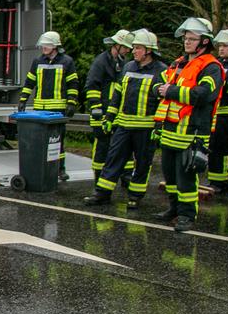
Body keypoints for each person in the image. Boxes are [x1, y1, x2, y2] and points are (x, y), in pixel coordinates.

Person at [153, 17, 223, 232]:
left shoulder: (211, 67)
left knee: (187, 179)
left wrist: (170, 91)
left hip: (191, 132)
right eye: (186, 38)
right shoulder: (179, 63)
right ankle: (173, 209)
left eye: (192, 39)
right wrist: (159, 89)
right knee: (171, 177)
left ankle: (186, 215)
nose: (187, 42)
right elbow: (157, 84)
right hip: (170, 131)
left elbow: (203, 95)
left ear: (204, 42)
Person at [83, 29, 166, 208]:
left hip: (146, 127)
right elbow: (118, 96)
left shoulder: (162, 71)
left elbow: (164, 102)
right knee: (113, 159)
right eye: (133, 48)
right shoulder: (128, 67)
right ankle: (102, 194)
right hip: (123, 125)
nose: (133, 51)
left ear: (148, 50)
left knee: (143, 163)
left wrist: (159, 126)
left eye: (137, 48)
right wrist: (109, 117)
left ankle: (135, 197)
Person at [17, 31, 79, 181]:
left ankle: (60, 169)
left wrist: (71, 103)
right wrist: (23, 99)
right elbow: (30, 82)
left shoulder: (67, 62)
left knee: (57, 141)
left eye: (47, 45)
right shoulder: (37, 61)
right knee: (41, 140)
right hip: (40, 109)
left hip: (58, 110)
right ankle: (42, 167)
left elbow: (73, 84)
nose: (44, 48)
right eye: (43, 45)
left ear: (55, 46)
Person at [84, 29, 133, 181]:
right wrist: (95, 107)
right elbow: (92, 85)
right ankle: (99, 176)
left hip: (117, 112)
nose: (127, 50)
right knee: (102, 145)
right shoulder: (101, 62)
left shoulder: (122, 62)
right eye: (125, 47)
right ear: (116, 45)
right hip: (101, 111)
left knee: (123, 144)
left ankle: (126, 176)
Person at [205, 29, 228, 194]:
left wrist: (222, 85)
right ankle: (215, 180)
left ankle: (222, 182)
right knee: (213, 147)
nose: (221, 49)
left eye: (225, 46)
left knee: (223, 148)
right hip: (215, 112)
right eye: (220, 46)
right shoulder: (218, 63)